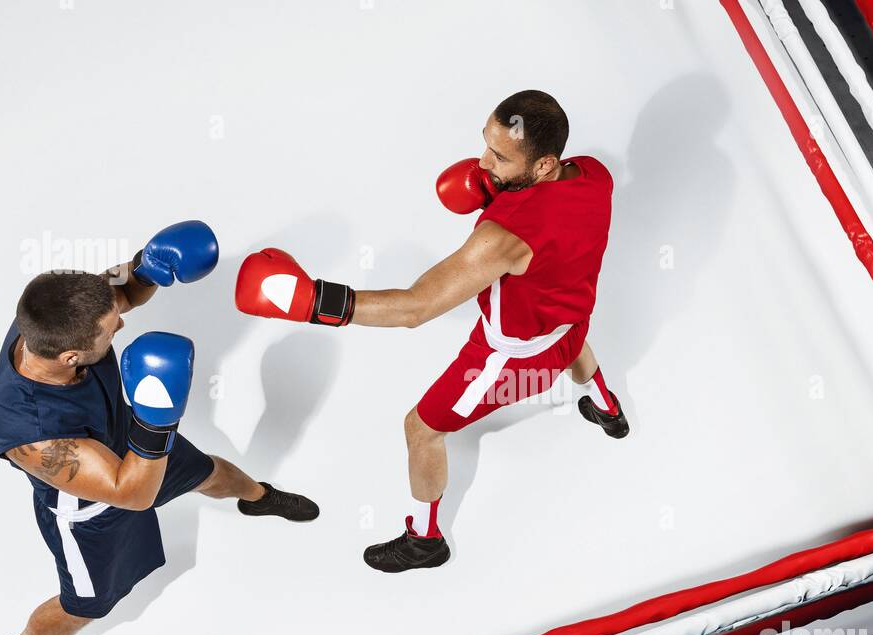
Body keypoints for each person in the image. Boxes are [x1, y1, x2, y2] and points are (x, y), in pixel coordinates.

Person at [236, 90, 627, 573]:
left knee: (420, 429)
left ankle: (425, 539)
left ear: (545, 166)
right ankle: (608, 408)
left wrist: (315, 302)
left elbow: (414, 309)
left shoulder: (503, 239)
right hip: (573, 315)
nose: (483, 164)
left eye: (500, 158)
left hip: (511, 358)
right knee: (572, 344)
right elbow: (555, 221)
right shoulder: (593, 172)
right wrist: (509, 182)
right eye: (486, 144)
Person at [0, 220, 319, 635]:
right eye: (108, 332)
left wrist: (150, 266)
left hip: (126, 438)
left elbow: (121, 293)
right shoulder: (33, 437)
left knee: (208, 470)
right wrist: (157, 420)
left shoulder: (53, 318)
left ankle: (257, 497)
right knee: (86, 603)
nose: (119, 324)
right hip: (92, 507)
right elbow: (133, 494)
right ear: (70, 357)